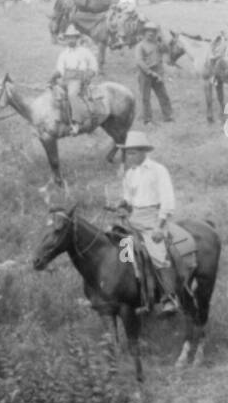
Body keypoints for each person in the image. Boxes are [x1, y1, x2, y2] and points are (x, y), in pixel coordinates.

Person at [116, 131, 180, 313]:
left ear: (144, 152)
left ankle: (169, 297)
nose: (130, 156)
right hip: (133, 219)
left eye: (133, 153)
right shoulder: (129, 174)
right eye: (128, 153)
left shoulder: (158, 170)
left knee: (157, 255)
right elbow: (128, 198)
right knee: (124, 253)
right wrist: (123, 205)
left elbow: (167, 200)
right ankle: (137, 295)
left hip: (153, 218)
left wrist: (160, 226)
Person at [51, 23, 101, 135]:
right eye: (68, 37)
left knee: (72, 94)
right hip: (66, 79)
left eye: (73, 37)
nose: (70, 40)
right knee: (54, 92)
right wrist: (54, 76)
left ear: (77, 38)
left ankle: (77, 122)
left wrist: (89, 74)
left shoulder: (84, 51)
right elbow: (60, 68)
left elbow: (94, 65)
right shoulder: (64, 53)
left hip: (79, 79)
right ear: (66, 39)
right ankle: (58, 119)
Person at [134, 23, 173, 125]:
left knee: (163, 95)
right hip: (145, 74)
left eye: (153, 31)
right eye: (148, 31)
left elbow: (167, 49)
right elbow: (139, 61)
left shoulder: (157, 44)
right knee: (145, 97)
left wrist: (161, 37)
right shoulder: (140, 46)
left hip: (157, 73)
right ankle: (148, 120)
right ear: (144, 33)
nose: (151, 33)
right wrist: (150, 72)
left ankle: (168, 116)